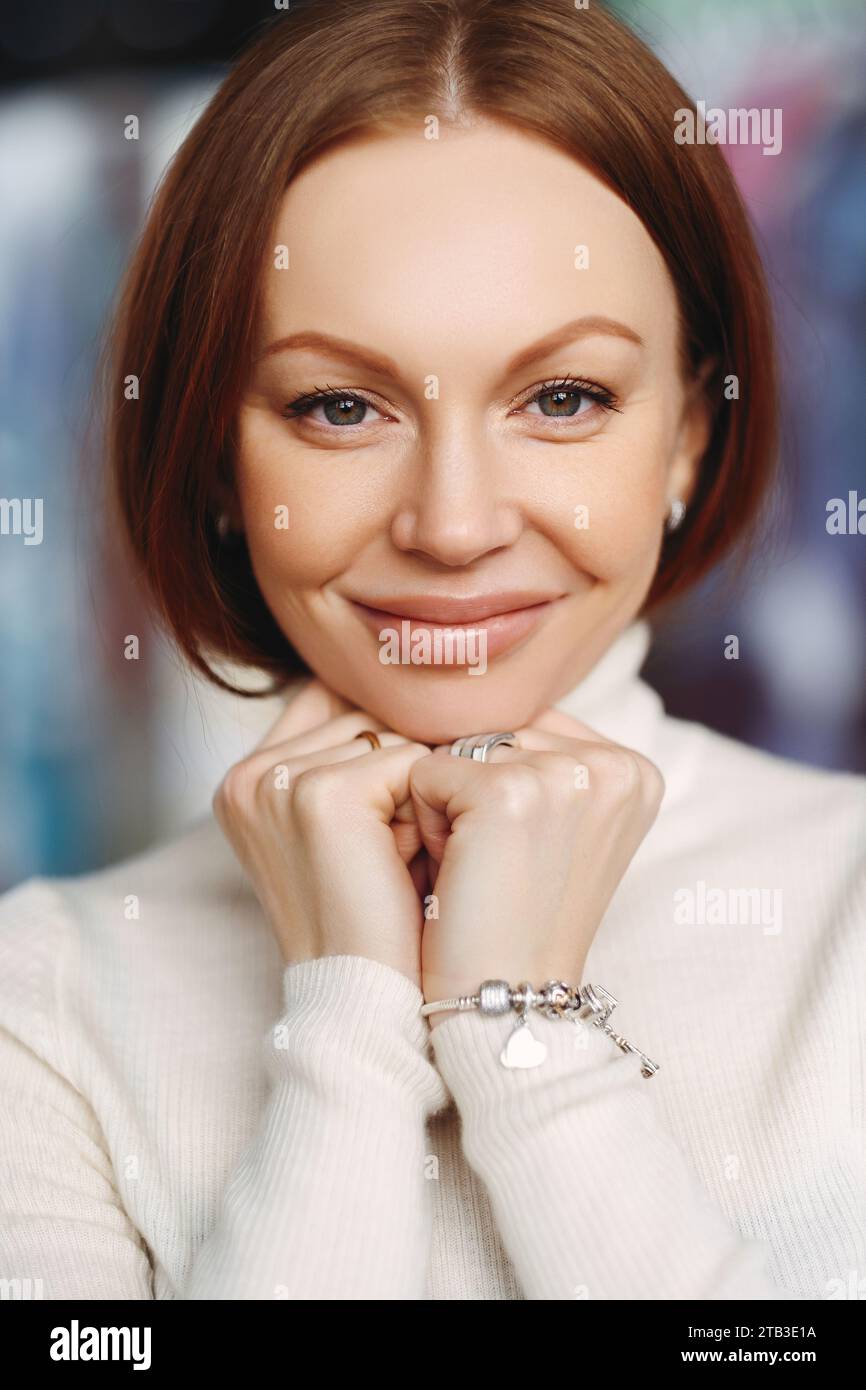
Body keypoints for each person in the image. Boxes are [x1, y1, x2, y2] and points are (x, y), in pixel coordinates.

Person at [0, 0, 863, 1301]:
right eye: (337, 406)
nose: (453, 524)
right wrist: (348, 1014)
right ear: (218, 458)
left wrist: (525, 1038)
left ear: (687, 433)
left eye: (561, 398)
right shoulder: (46, 997)